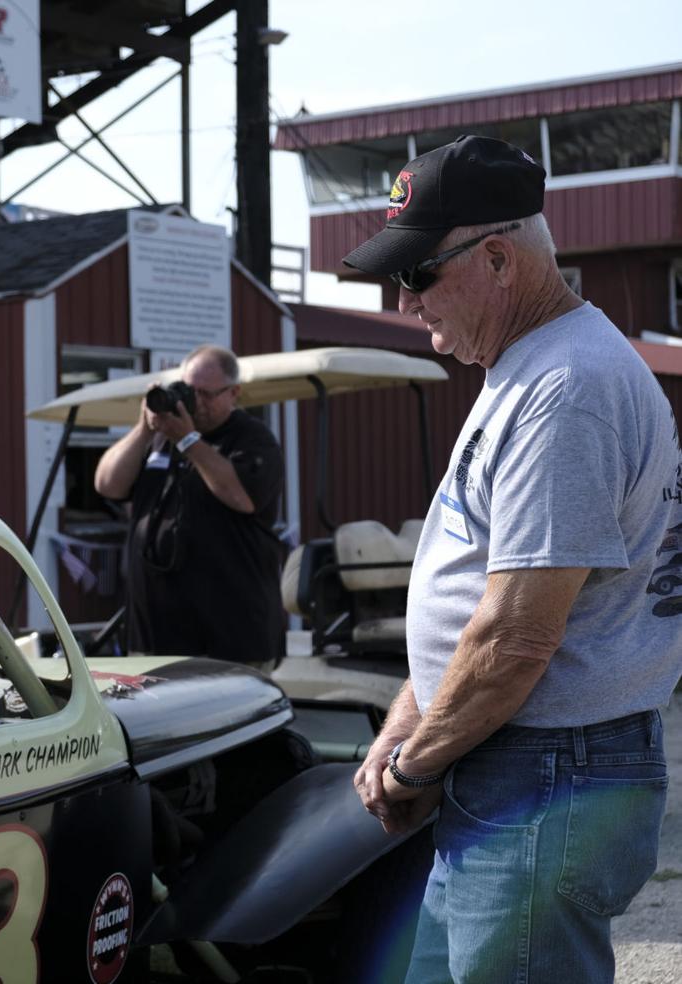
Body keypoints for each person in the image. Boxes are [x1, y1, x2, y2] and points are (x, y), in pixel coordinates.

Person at [346, 135, 682, 983]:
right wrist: (406, 722)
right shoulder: (529, 371)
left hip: (541, 776)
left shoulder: (565, 391)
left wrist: (415, 763)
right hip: (515, 768)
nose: (406, 298)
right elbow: (473, 593)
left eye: (418, 273)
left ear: (498, 258)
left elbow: (515, 639)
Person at [93, 344, 285, 667]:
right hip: (156, 638)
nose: (196, 403)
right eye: (189, 391)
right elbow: (107, 484)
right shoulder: (160, 437)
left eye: (206, 394)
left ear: (234, 393)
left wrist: (189, 440)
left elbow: (241, 496)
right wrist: (144, 429)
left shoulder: (253, 439)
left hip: (230, 640)